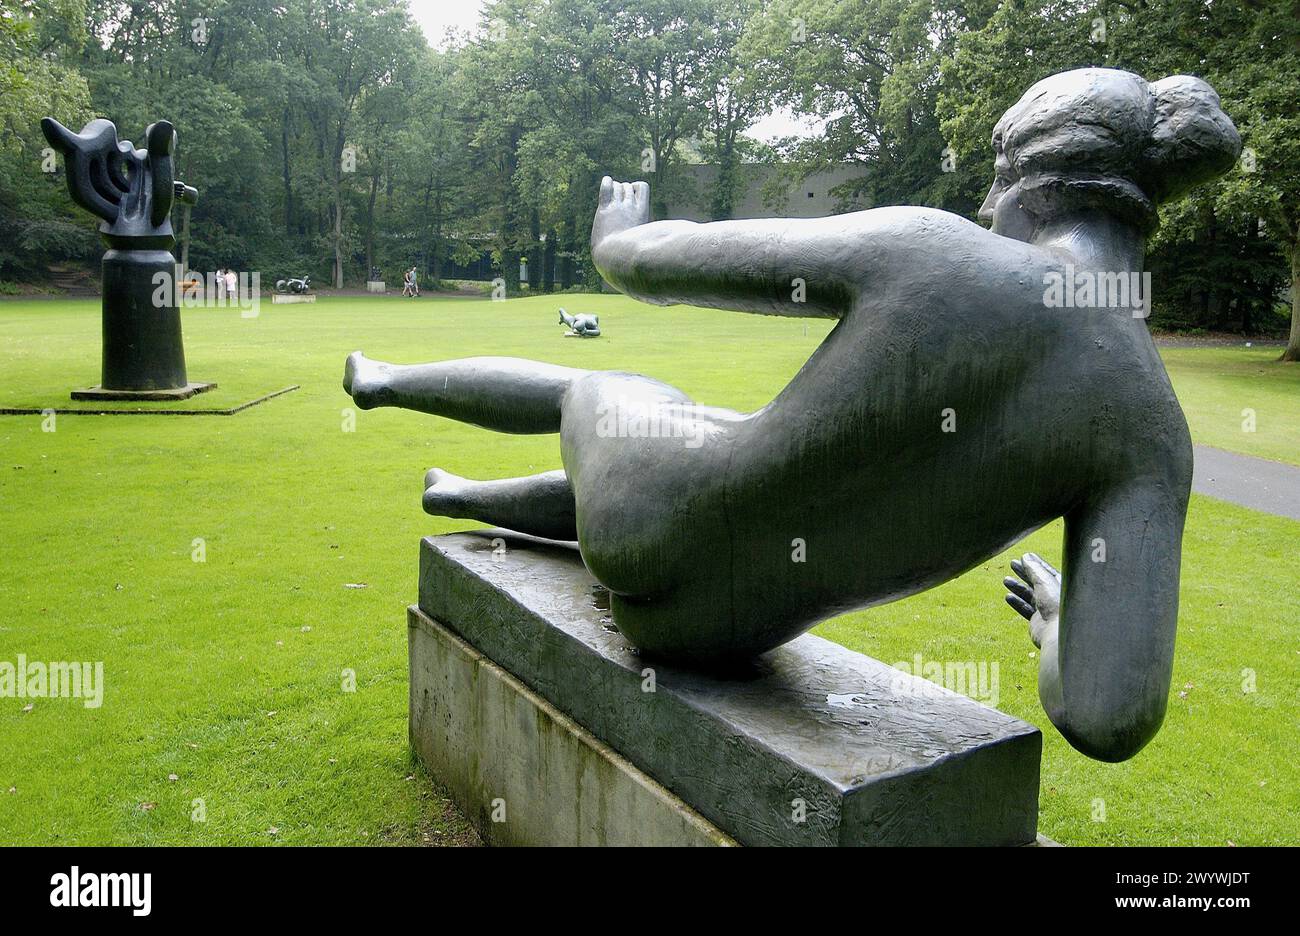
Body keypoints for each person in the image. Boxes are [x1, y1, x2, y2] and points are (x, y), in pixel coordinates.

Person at [342, 70, 1240, 762]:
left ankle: (383, 381)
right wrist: (1055, 626)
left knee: (601, 388)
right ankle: (462, 493)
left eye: (993, 183)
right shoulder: (1148, 427)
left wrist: (617, 244)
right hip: (720, 631)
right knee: (705, 430)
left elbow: (675, 262)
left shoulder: (936, 251)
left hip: (644, 521)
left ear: (1023, 180)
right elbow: (1108, 717)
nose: (982, 207)